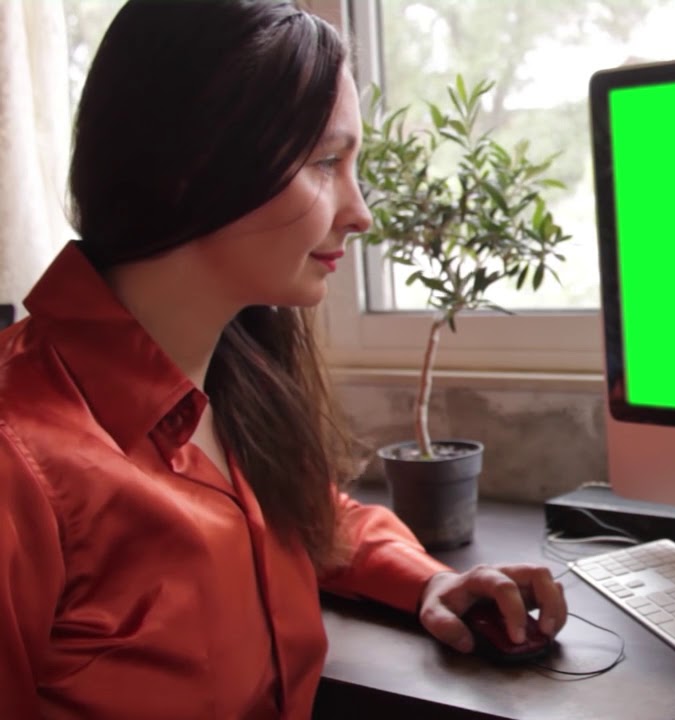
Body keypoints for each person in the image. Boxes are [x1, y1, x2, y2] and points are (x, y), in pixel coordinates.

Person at [0, 1, 567, 717]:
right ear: (189, 164)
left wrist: (426, 580)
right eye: (326, 162)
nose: (360, 212)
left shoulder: (230, 386)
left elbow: (310, 519)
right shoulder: (20, 461)